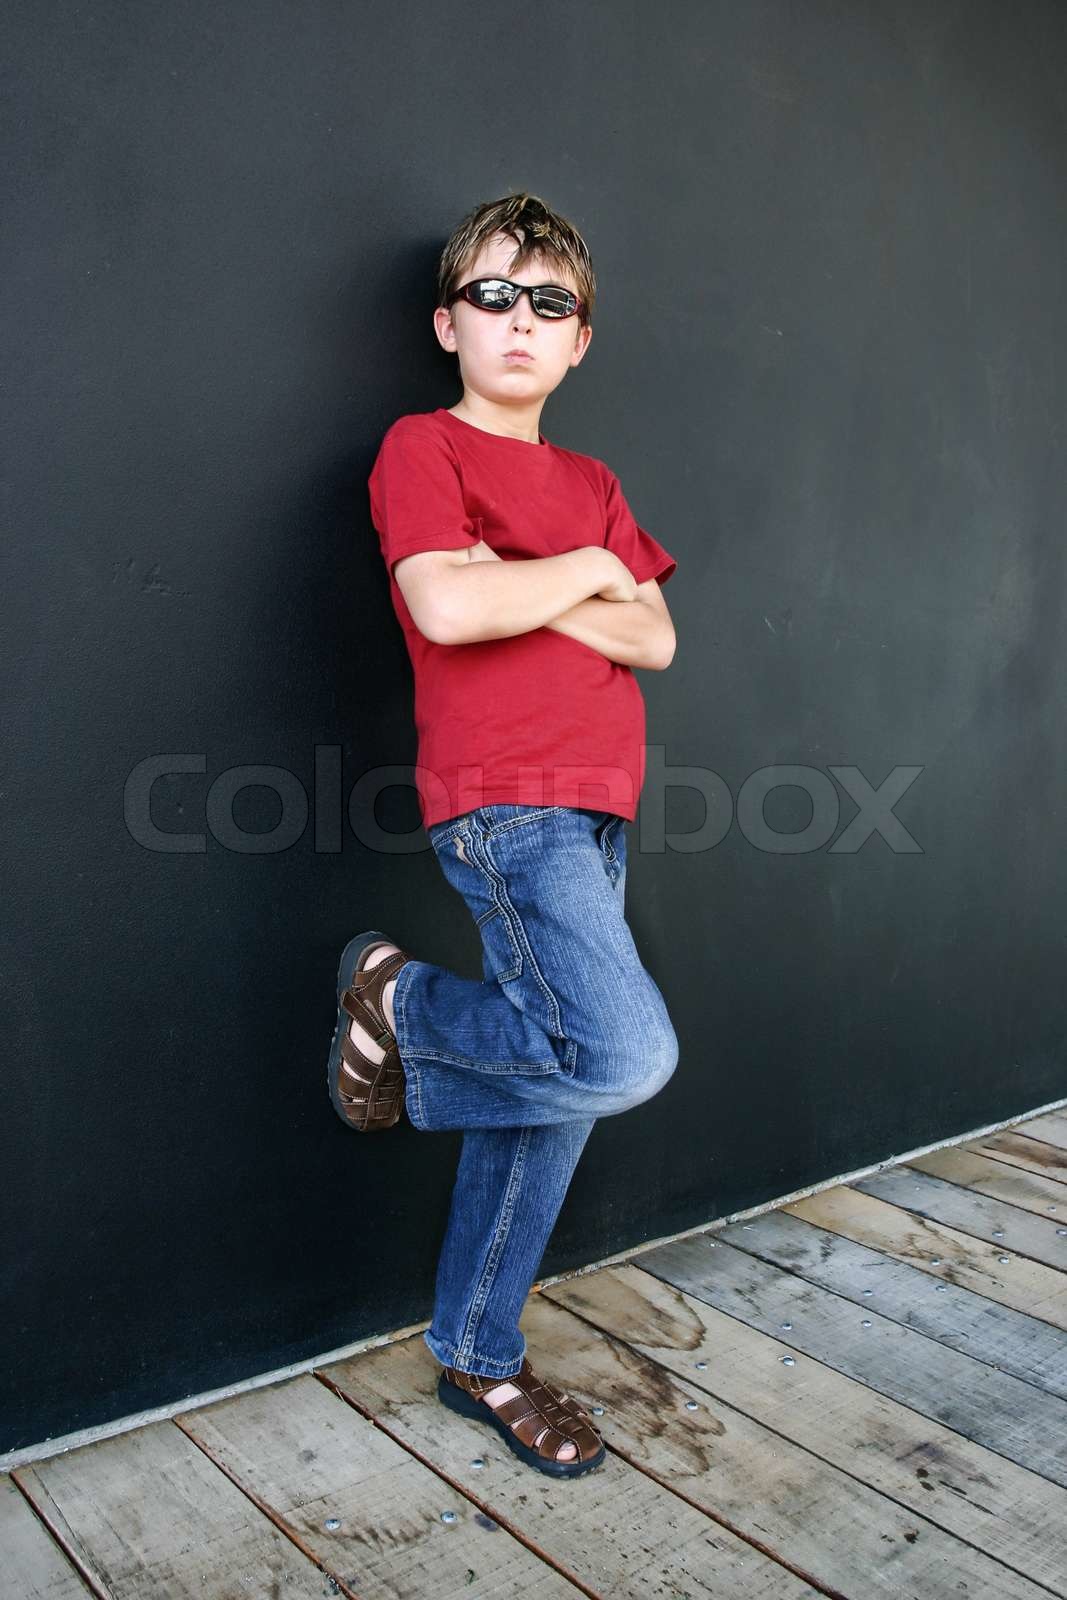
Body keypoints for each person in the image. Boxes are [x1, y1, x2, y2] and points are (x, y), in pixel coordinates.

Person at [326, 193, 680, 1480]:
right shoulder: (422, 446)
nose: (519, 321)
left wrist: (553, 575)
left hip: (599, 804)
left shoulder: (592, 485)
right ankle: (400, 1001)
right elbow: (444, 604)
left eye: (550, 304)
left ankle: (476, 1348)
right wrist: (583, 574)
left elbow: (654, 636)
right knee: (619, 1052)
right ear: (446, 321)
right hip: (504, 798)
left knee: (554, 1092)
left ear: (579, 339)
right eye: (493, 295)